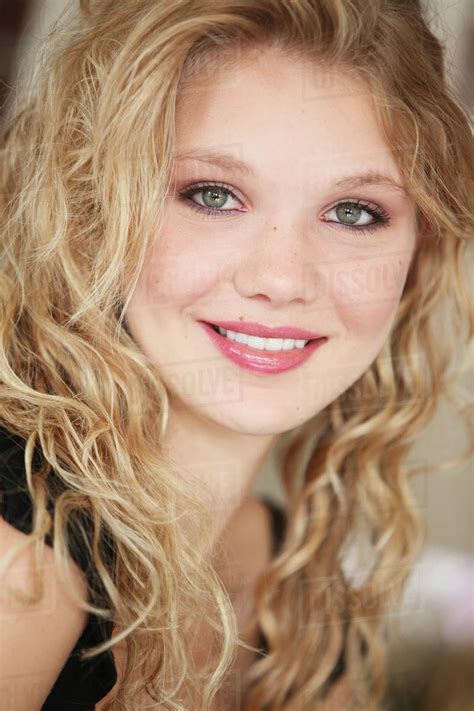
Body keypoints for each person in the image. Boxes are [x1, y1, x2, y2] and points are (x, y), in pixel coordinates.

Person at [0, 0, 472, 709]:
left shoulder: (288, 571)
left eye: (354, 212)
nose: (282, 279)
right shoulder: (18, 559)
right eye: (213, 195)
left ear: (418, 250)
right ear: (96, 212)